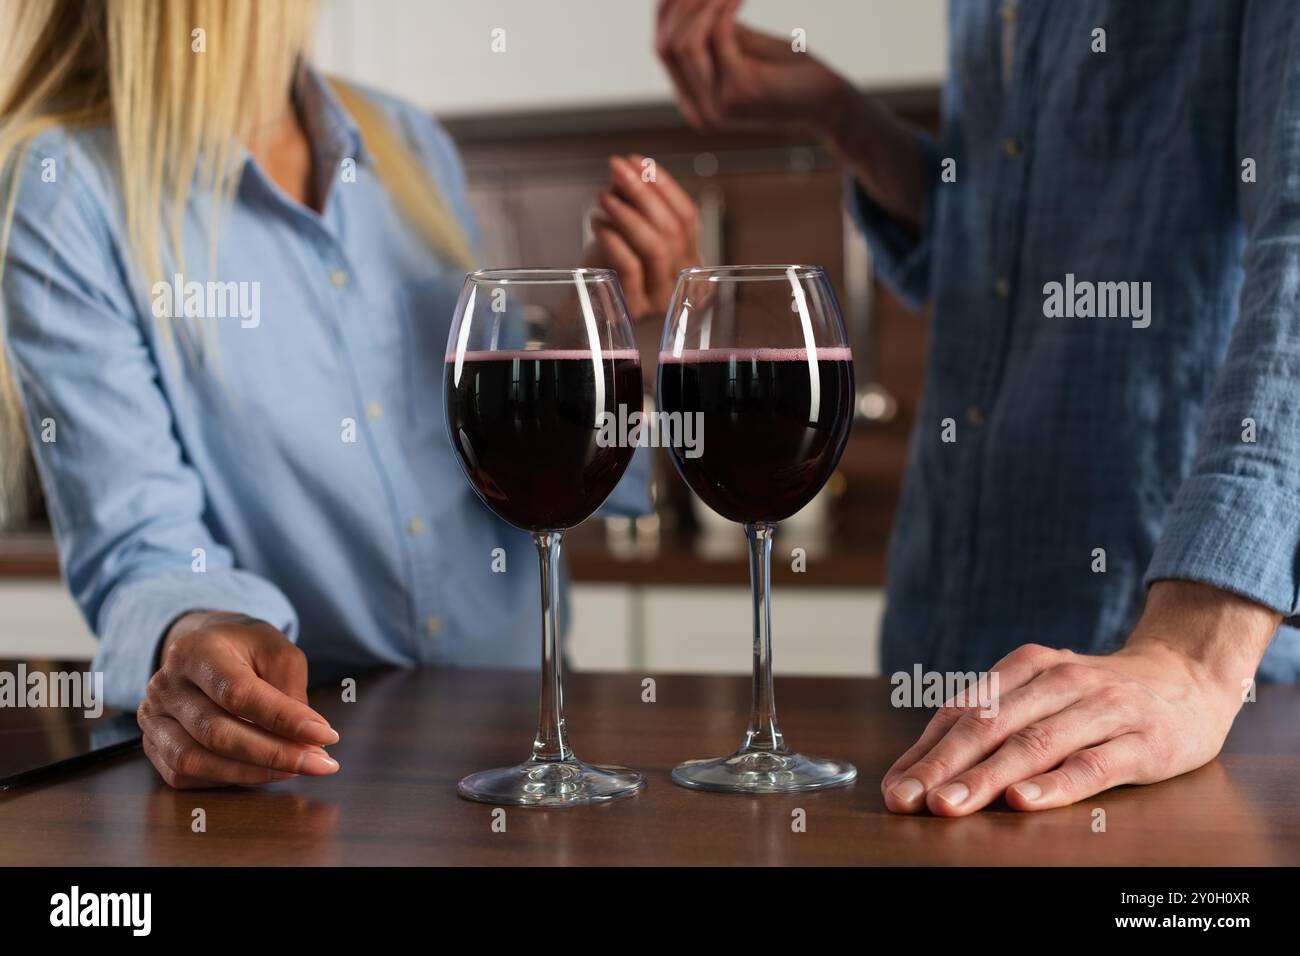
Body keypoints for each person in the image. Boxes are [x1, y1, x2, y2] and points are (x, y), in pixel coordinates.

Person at [0, 0, 699, 789]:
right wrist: (197, 631)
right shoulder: (68, 190)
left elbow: (501, 454)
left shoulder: (405, 142)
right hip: (325, 762)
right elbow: (141, 542)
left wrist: (596, 335)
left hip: (531, 735)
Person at [657, 0, 1300, 815]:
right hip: (940, 647)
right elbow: (996, 261)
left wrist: (1196, 651)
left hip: (1160, 678)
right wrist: (840, 117)